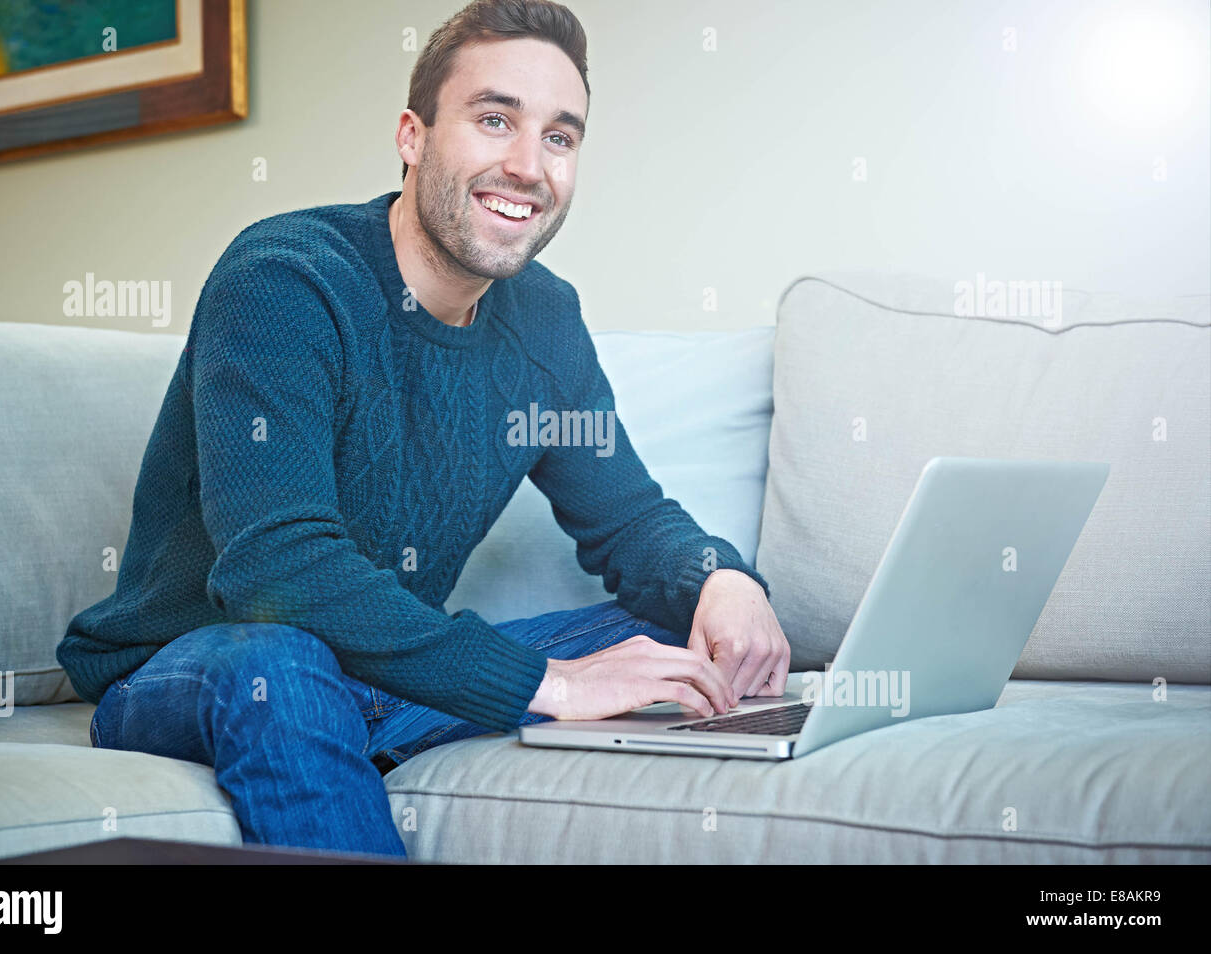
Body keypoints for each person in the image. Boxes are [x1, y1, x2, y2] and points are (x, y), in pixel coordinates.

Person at [56, 0, 789, 859]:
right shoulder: (286, 280)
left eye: (560, 137)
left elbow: (629, 520)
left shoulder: (545, 320)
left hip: (375, 671)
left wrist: (724, 586)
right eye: (493, 120)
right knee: (282, 665)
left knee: (677, 650)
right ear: (413, 135)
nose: (528, 164)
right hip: (199, 667)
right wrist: (543, 683)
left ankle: (359, 731)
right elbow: (272, 568)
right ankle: (341, 728)